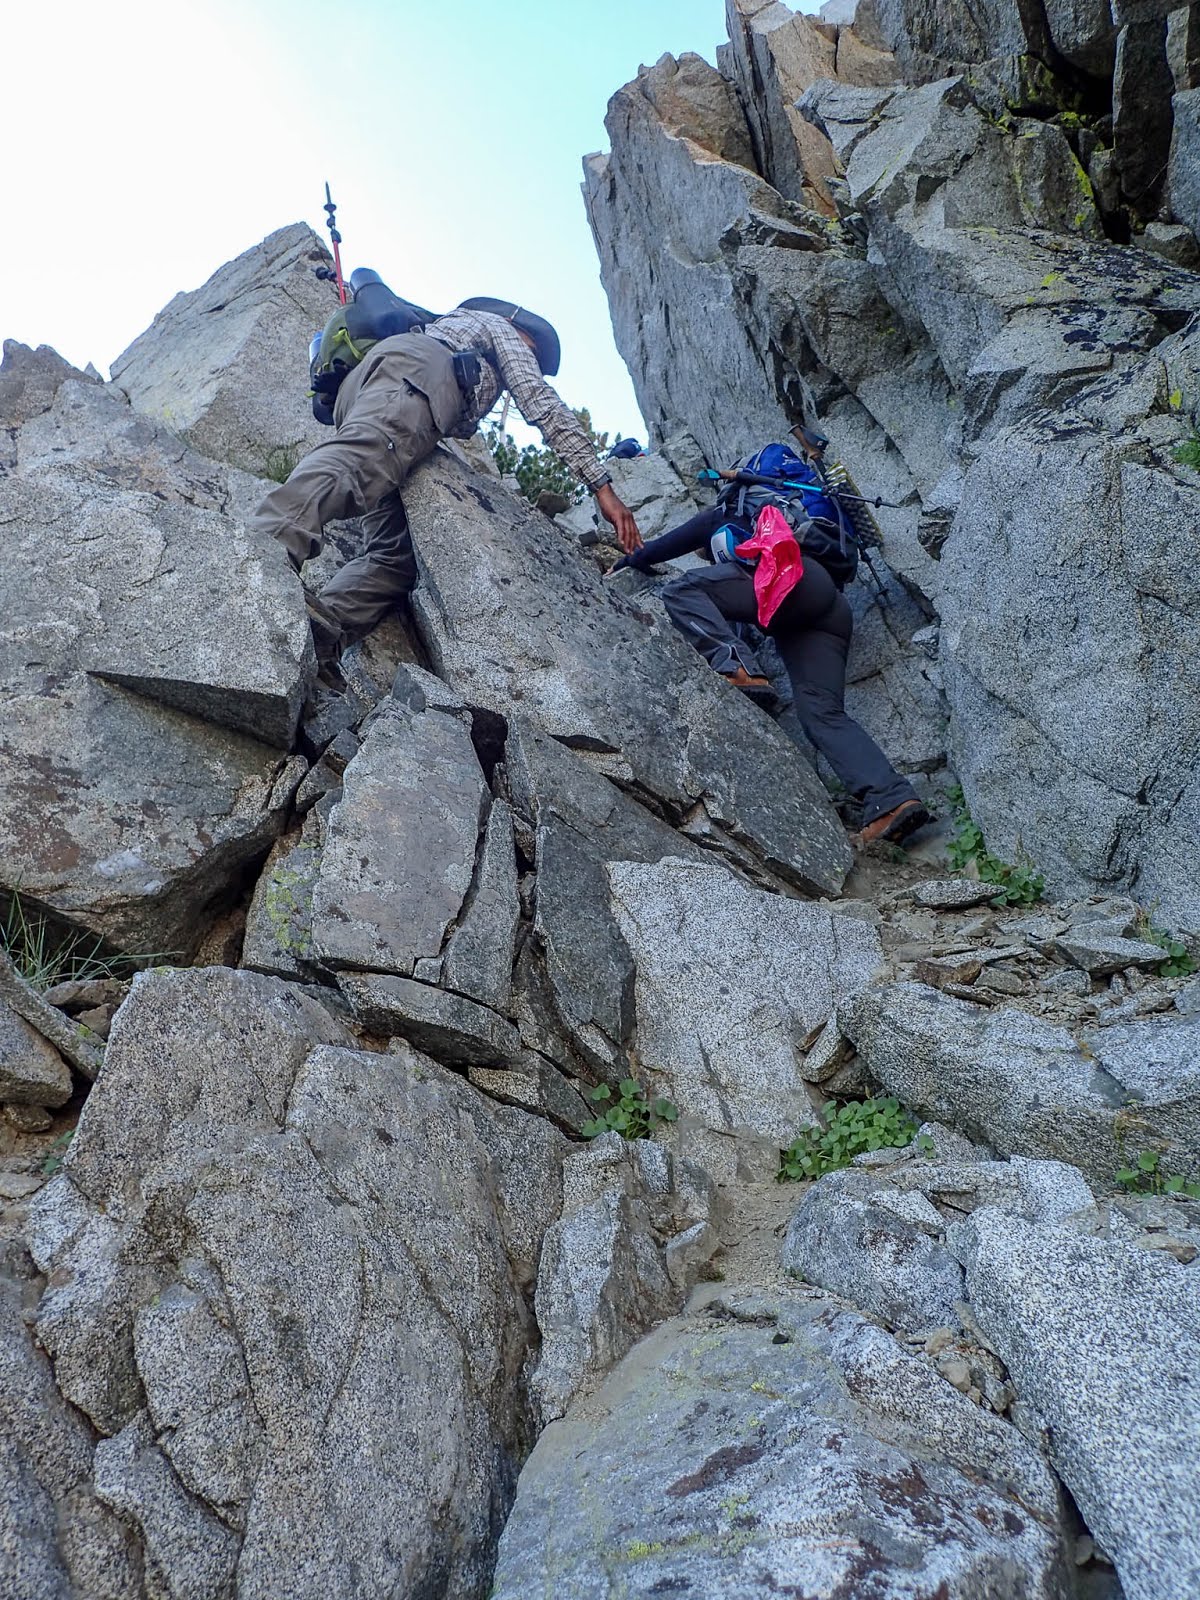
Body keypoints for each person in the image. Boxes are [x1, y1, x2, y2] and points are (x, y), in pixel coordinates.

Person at [251, 297, 643, 667]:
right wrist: (601, 486)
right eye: (534, 352)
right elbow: (537, 397)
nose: (532, 360)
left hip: (377, 389)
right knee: (355, 464)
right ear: (518, 325)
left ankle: (317, 640)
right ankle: (260, 555)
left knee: (395, 558)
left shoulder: (441, 329)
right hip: (416, 379)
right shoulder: (498, 327)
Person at [612, 482, 930, 847]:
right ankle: (891, 798)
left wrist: (626, 561)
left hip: (786, 580)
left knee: (682, 590)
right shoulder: (777, 530)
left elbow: (657, 550)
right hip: (824, 604)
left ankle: (739, 669)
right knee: (821, 713)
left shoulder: (722, 515)